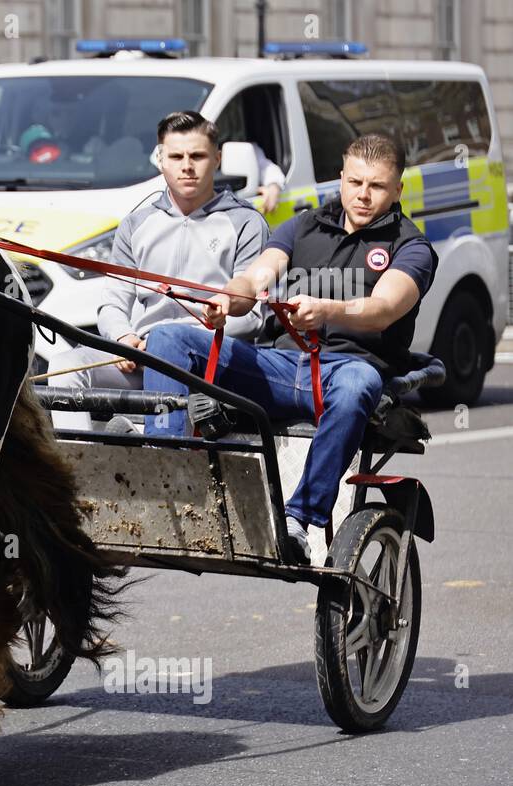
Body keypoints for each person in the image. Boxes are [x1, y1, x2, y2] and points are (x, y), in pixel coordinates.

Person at [142, 133, 438, 562]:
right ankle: (166, 471)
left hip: (345, 372)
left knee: (359, 382)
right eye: (355, 182)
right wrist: (228, 300)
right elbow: (256, 278)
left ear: (397, 189)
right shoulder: (304, 225)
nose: (363, 195)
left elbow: (383, 309)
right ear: (340, 178)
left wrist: (326, 311)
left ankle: (299, 520)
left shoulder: (410, 246)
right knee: (168, 338)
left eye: (376, 186)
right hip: (281, 364)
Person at [46, 111, 269, 429]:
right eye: (176, 156)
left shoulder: (247, 222)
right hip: (142, 359)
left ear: (217, 159)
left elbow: (252, 318)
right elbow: (112, 302)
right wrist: (123, 337)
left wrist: (173, 342)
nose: (187, 166)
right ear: (161, 159)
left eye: (198, 156)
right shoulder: (137, 223)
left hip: (214, 365)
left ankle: (140, 438)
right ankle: (78, 465)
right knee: (64, 367)